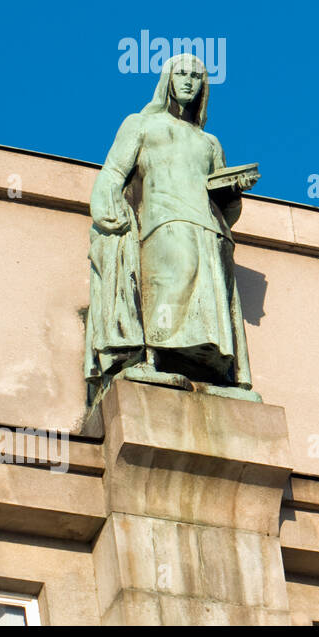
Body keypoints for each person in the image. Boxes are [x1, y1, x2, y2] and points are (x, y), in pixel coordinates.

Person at [84, 53, 256, 397]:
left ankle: (214, 374)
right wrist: (108, 211)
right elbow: (114, 173)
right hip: (163, 221)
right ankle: (151, 359)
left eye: (197, 76)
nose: (189, 81)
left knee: (209, 299)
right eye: (182, 74)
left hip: (209, 230)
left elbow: (225, 208)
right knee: (170, 284)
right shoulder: (141, 124)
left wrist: (233, 192)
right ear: (168, 80)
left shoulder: (210, 142)